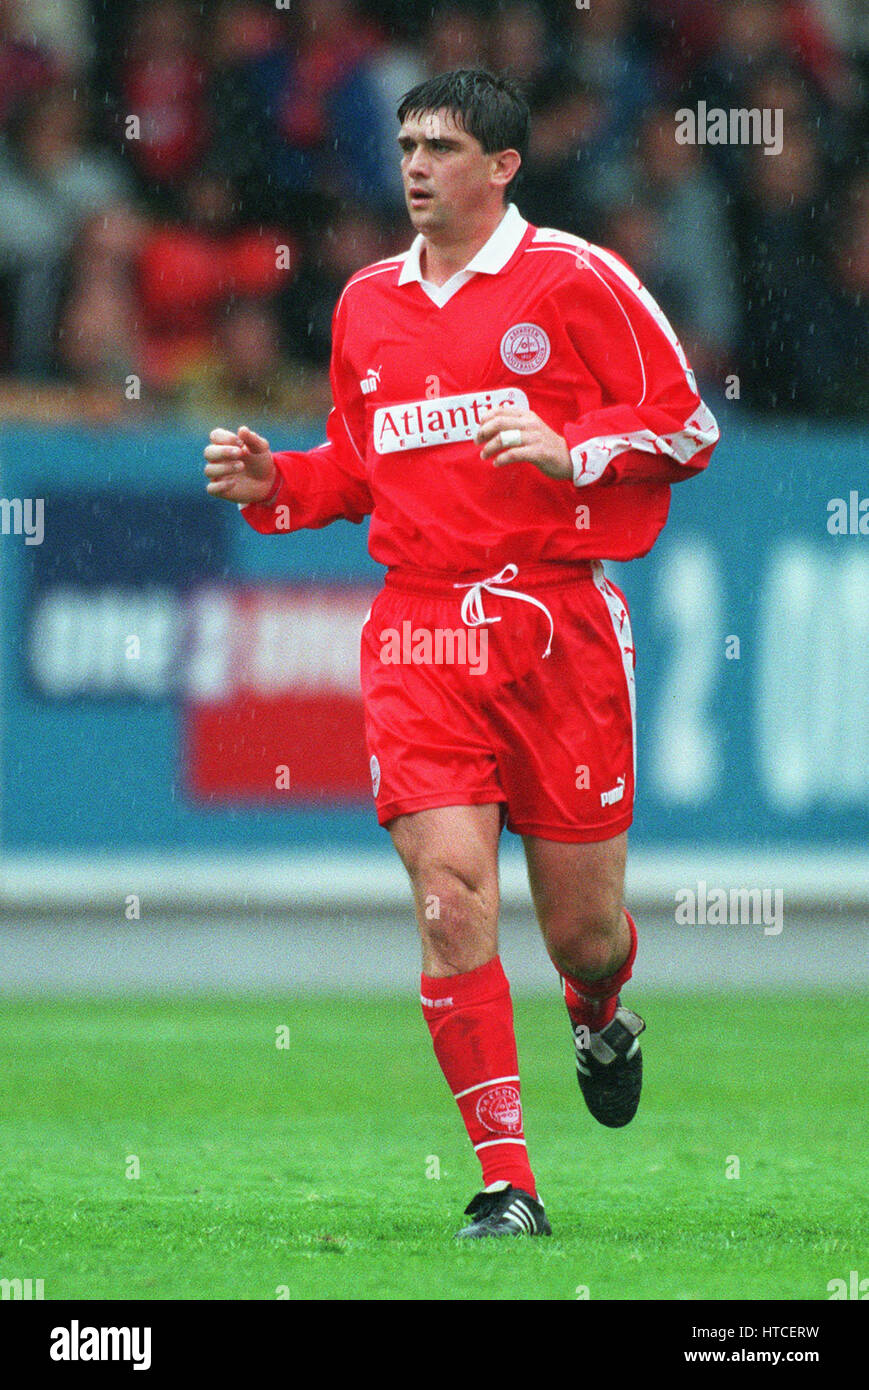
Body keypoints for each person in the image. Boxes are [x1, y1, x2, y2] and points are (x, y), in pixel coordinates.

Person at [203, 69, 719, 1239]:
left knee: (581, 930)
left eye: (442, 146)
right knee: (449, 898)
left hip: (556, 631)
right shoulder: (364, 303)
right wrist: (276, 481)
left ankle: (598, 1008)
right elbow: (355, 462)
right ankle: (506, 1181)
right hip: (423, 629)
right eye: (405, 145)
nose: (417, 166)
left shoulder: (576, 280)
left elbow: (688, 425)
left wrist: (567, 444)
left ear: (502, 168)